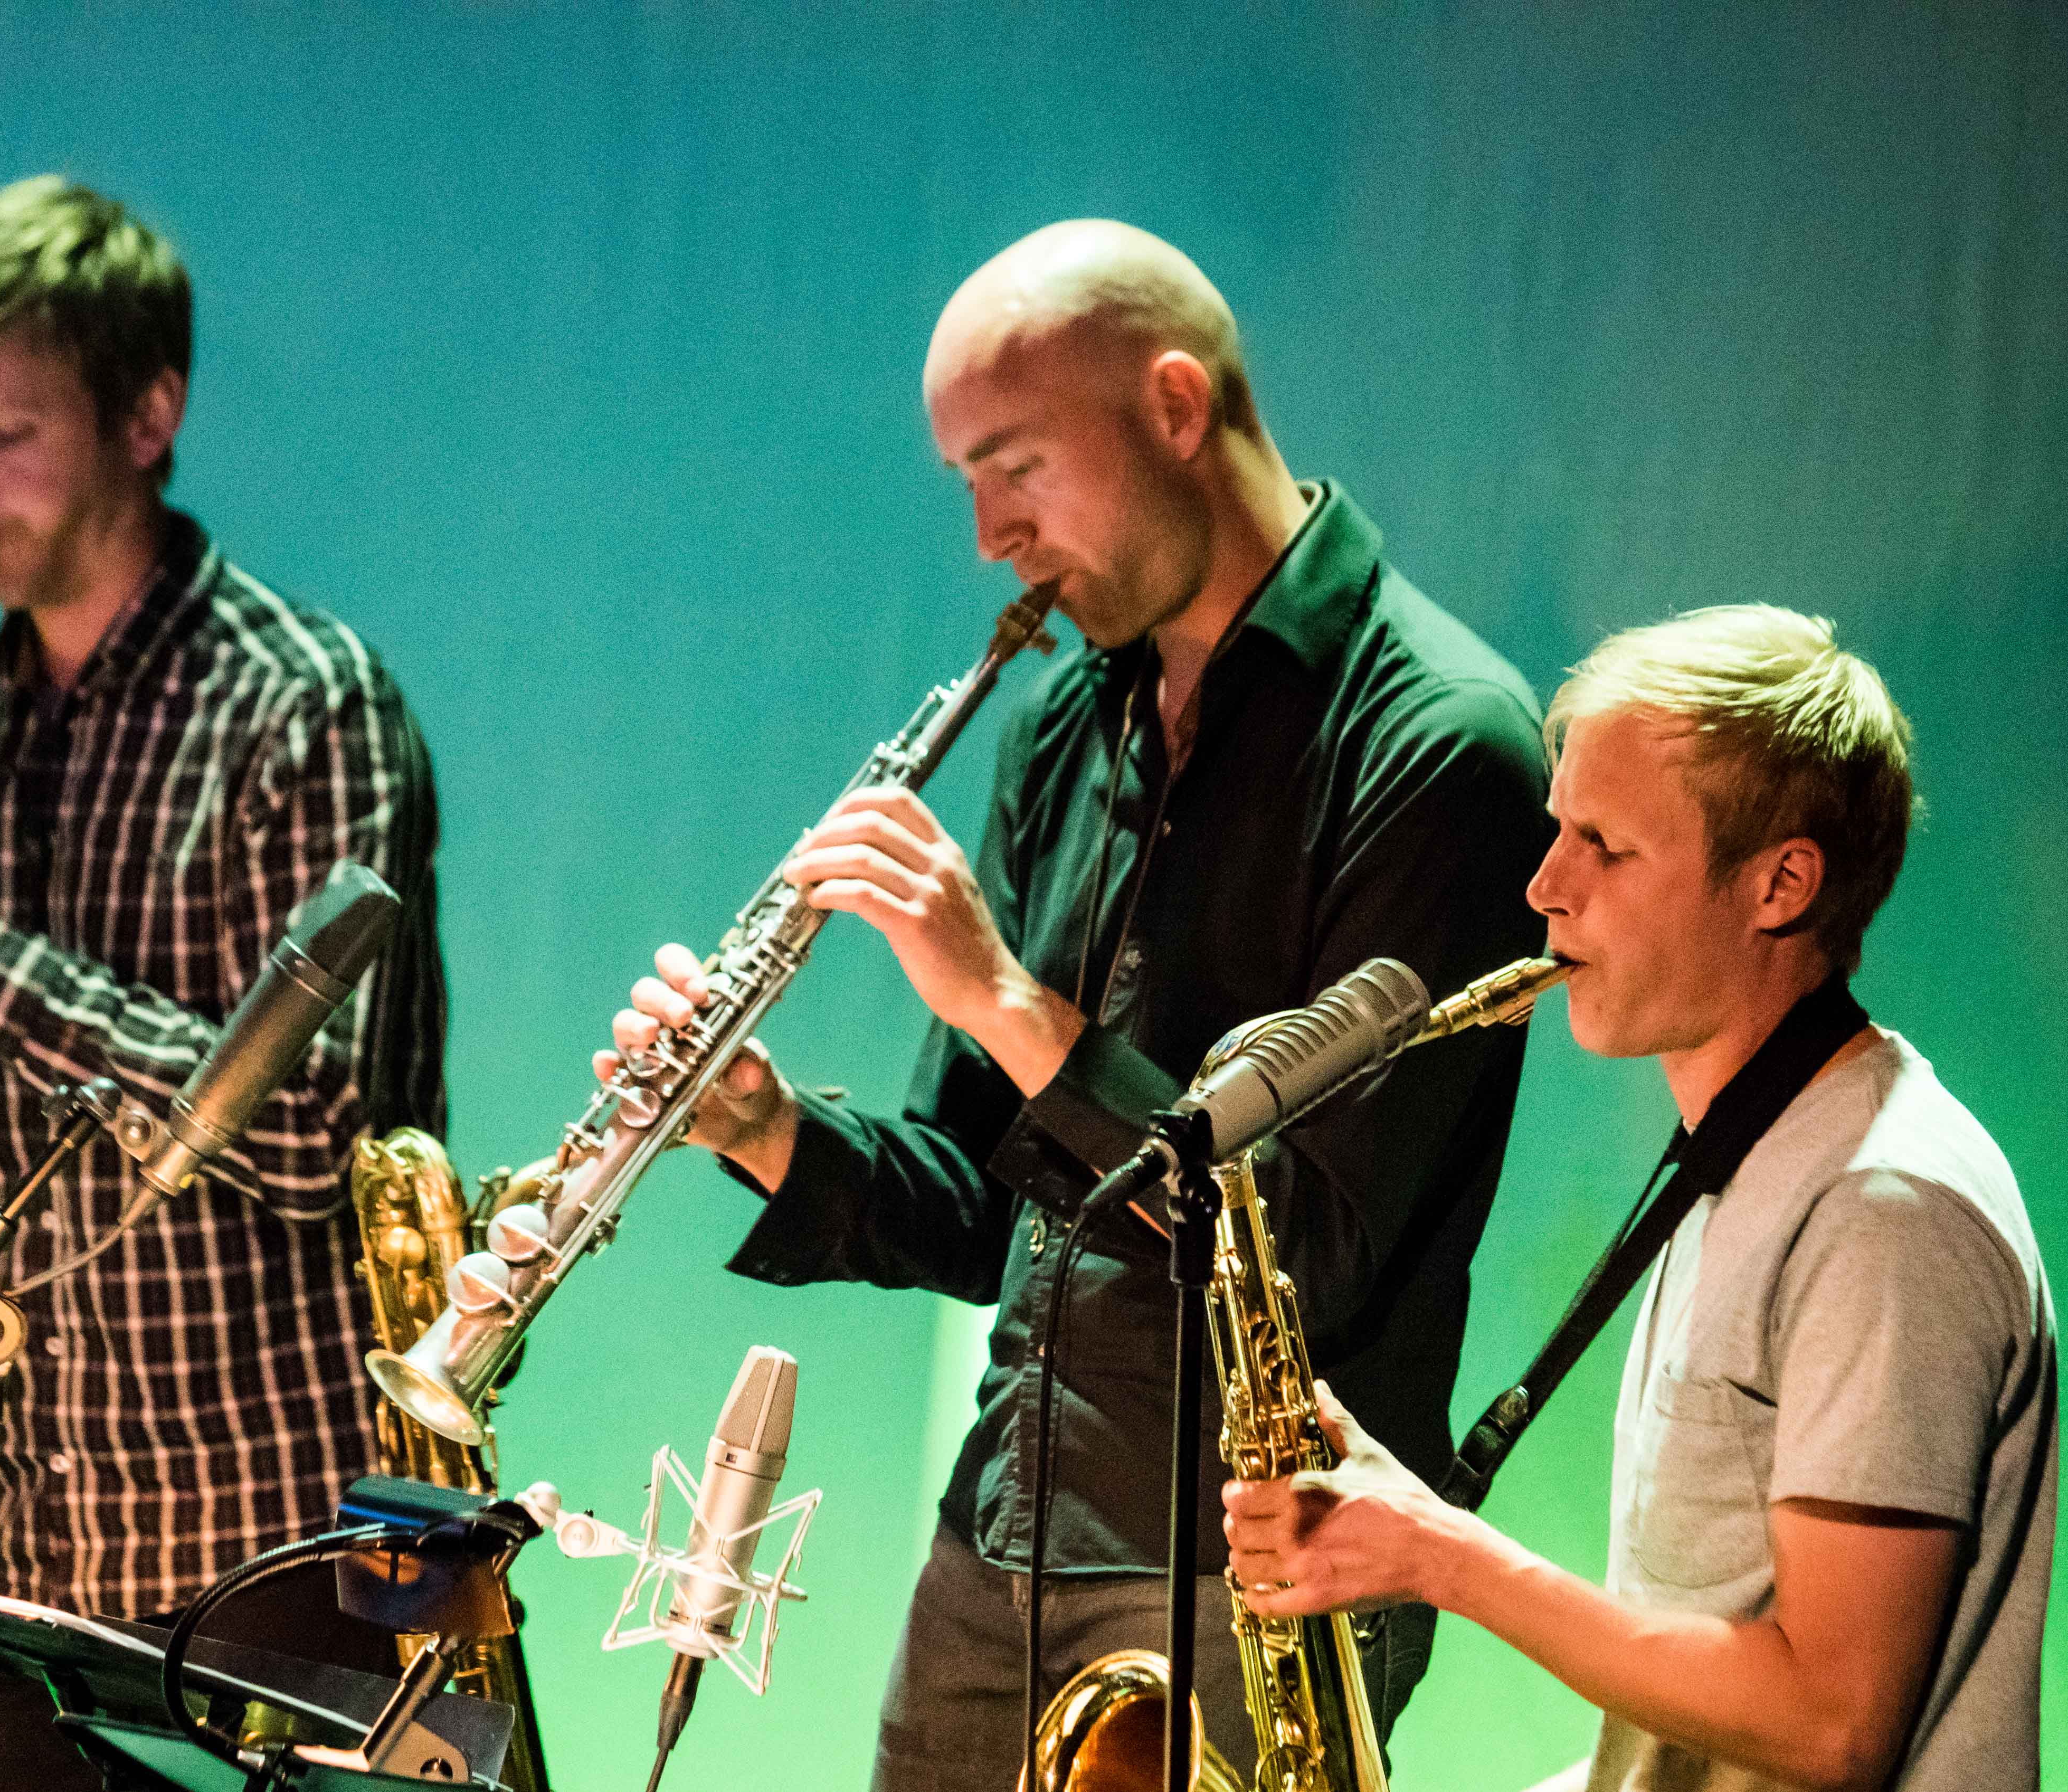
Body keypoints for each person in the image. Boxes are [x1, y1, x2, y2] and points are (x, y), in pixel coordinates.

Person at [606, 219, 1552, 1787]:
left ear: (1175, 407)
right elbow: (991, 1206)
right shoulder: (1065, 729)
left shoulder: (1440, 743)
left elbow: (1308, 1258)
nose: (990, 535)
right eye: (966, 482)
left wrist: (1007, 1001)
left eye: (1017, 467)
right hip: (1004, 1537)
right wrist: (766, 1130)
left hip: (1251, 1578)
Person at [0, 176, 448, 1787]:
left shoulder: (304, 706)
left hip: (277, 1572)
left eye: (7, 431)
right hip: (27, 1566)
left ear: (148, 415)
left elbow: (324, 1136)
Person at [1222, 604, 2055, 1791]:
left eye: (1603, 847)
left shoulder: (1883, 1210)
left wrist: (1440, 1555)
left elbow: (1830, 1722)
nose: (1544, 887)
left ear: (1780, 884)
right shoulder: (1755, 1158)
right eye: (1557, 831)